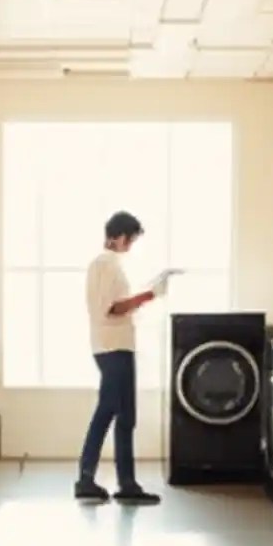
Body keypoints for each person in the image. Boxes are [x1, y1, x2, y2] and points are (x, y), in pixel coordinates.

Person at [74, 211, 167, 505]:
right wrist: (149, 295)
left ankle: (127, 483)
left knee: (126, 415)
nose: (131, 246)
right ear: (120, 236)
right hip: (112, 347)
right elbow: (110, 309)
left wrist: (141, 297)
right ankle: (86, 479)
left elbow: (117, 307)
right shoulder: (104, 264)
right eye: (131, 239)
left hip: (118, 346)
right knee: (109, 411)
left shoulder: (110, 265)